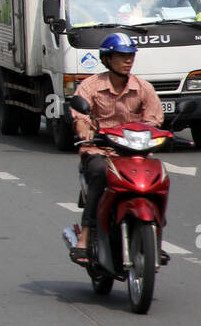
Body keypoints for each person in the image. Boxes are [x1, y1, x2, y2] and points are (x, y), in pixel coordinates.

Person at [70, 34, 165, 260]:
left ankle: (156, 238)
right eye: (122, 56)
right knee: (100, 174)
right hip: (100, 151)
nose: (128, 61)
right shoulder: (90, 87)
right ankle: (85, 235)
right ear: (107, 59)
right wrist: (85, 130)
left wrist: (158, 135)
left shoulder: (144, 88)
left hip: (134, 154)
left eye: (130, 56)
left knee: (159, 178)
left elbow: (154, 120)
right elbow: (80, 116)